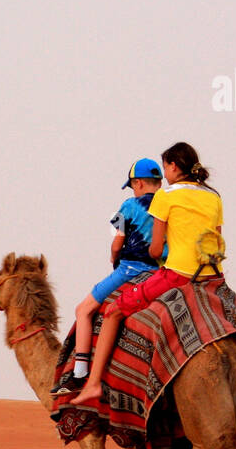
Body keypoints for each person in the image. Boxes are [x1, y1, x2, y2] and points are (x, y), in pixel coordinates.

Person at [69, 143, 222, 406]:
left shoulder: (158, 199)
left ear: (173, 167)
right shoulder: (214, 197)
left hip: (174, 273)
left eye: (167, 167)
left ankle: (91, 381)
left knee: (112, 310)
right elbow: (215, 239)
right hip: (213, 277)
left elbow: (152, 249)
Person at [62, 158, 168, 395]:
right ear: (159, 183)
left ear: (138, 183)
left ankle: (79, 373)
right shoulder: (169, 205)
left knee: (83, 310)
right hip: (161, 272)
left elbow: (116, 243)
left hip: (129, 269)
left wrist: (114, 257)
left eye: (132, 186)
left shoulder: (128, 206)